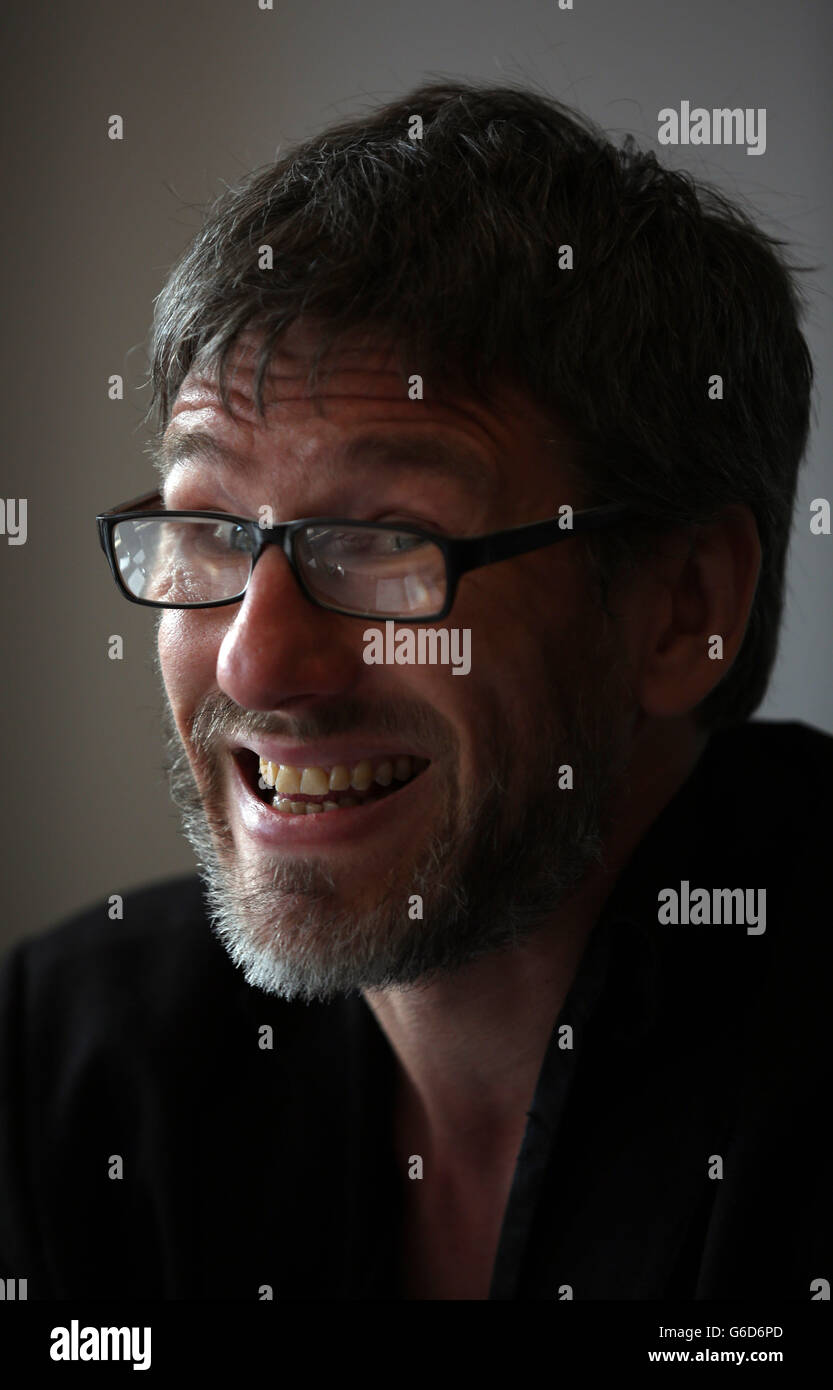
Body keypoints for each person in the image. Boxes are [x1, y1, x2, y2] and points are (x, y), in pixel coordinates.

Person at [0, 80, 828, 1302]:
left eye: (386, 540)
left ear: (682, 604)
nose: (253, 662)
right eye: (211, 529)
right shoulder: (78, 1059)